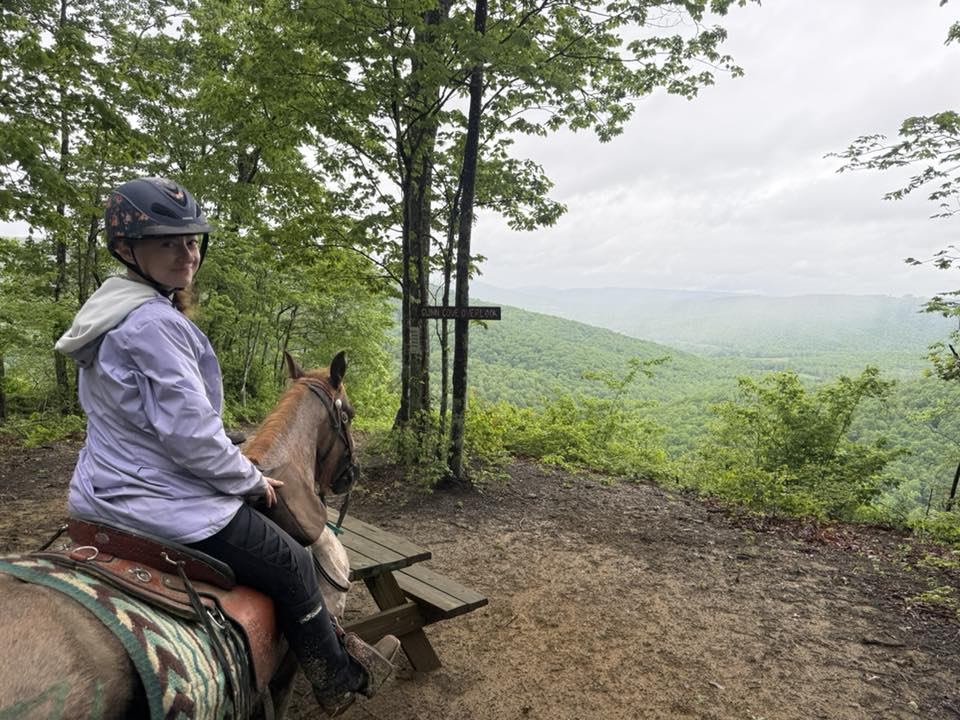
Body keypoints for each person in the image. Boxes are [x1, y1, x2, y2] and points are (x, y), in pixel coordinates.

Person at [54, 176, 398, 715]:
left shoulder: (107, 315)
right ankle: (335, 675)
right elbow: (190, 436)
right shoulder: (153, 324)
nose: (185, 253)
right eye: (167, 242)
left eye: (191, 240)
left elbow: (149, 419)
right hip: (161, 504)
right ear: (126, 249)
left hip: (101, 491)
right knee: (290, 562)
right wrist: (250, 479)